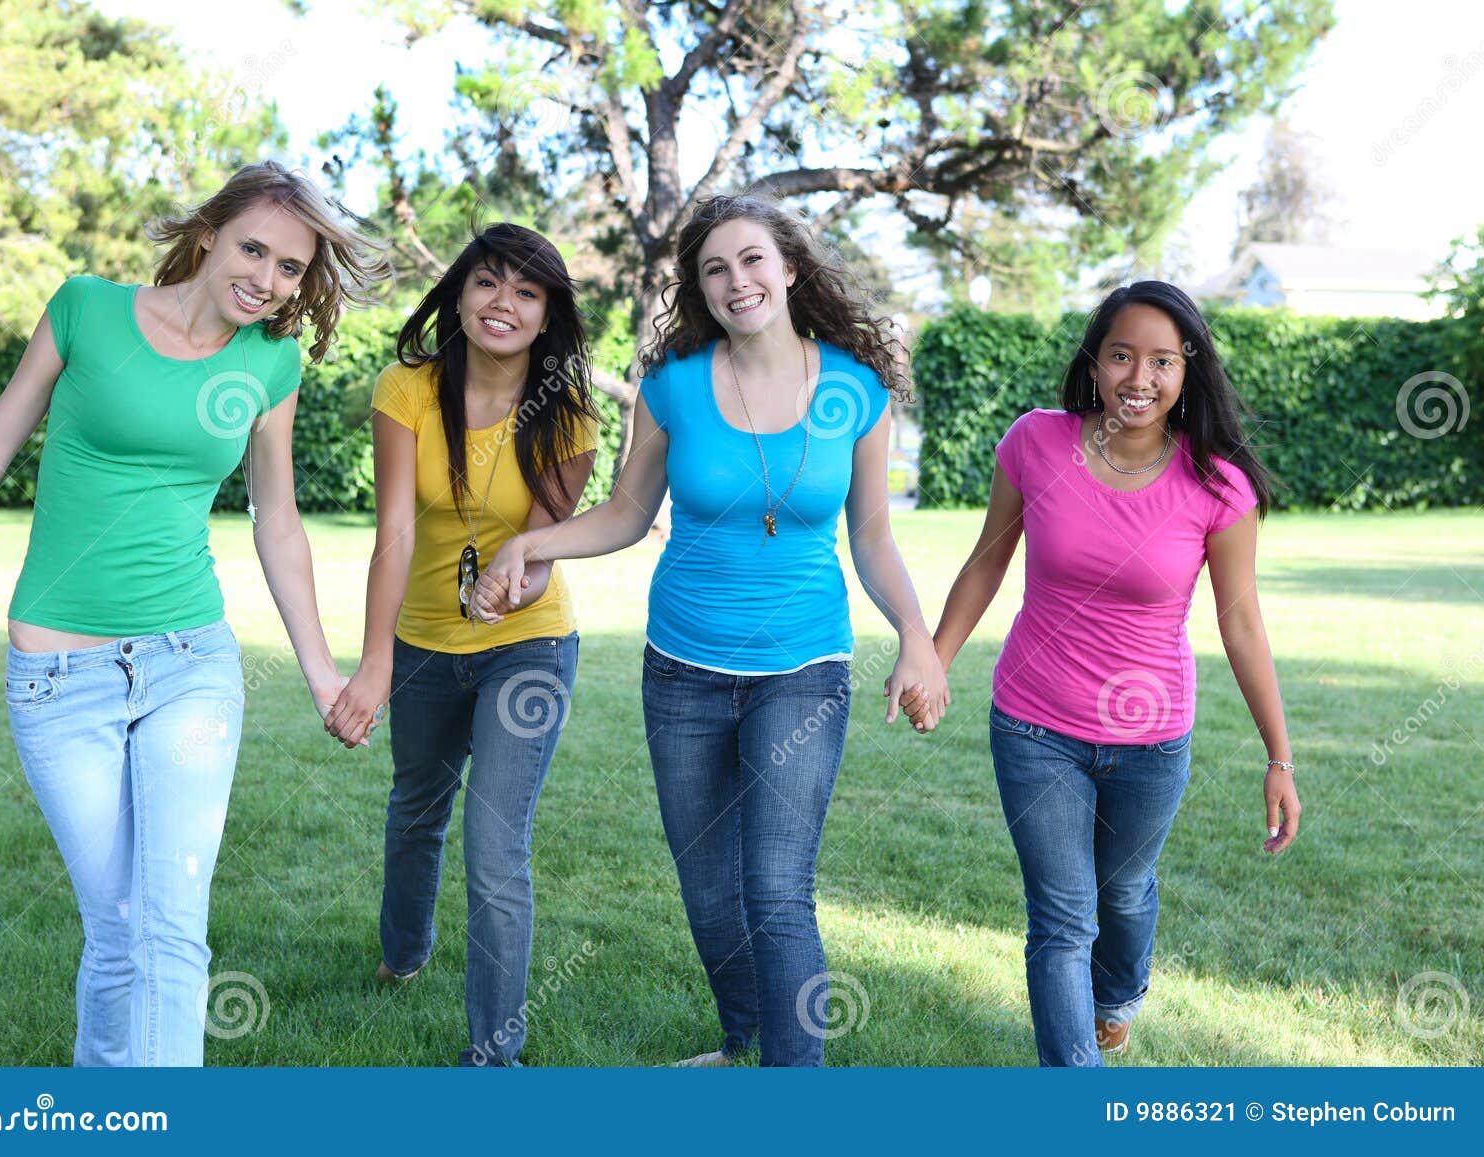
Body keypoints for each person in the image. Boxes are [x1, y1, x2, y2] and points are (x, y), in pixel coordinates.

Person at [0, 161, 387, 1066]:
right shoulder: (86, 310)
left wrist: (322, 673)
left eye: (290, 269)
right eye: (254, 250)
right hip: (56, 673)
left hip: (188, 661)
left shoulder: (269, 363)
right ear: (208, 234)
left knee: (169, 928)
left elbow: (275, 517)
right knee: (117, 928)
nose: (267, 280)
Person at [472, 194, 948, 1066]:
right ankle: (745, 1037)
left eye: (753, 259)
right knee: (706, 886)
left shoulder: (852, 388)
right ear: (699, 288)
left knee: (775, 886)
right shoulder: (676, 385)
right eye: (715, 269)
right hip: (682, 666)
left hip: (803, 664)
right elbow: (624, 511)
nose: (738, 280)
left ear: (790, 267)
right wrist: (532, 540)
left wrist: (915, 634)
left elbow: (873, 533)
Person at [915, 280, 1302, 1066]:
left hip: (1152, 739)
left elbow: (1240, 621)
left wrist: (1279, 756)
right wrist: (936, 658)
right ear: (1095, 363)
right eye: (1122, 355)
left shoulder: (1219, 483)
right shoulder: (1036, 442)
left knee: (1123, 894)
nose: (1140, 377)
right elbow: (989, 561)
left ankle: (1117, 1001)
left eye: (1162, 360)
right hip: (1034, 722)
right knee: (1062, 918)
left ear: (1187, 373)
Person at [323, 224, 600, 1066]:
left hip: (530, 647)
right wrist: (374, 665)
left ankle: (495, 1056)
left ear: (548, 312)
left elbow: (547, 547)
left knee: (494, 838)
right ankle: (403, 955)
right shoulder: (407, 389)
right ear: (457, 294)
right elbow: (395, 533)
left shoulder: (567, 410)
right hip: (423, 642)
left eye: (525, 291)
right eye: (486, 283)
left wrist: (513, 583)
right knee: (416, 806)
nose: (502, 304)